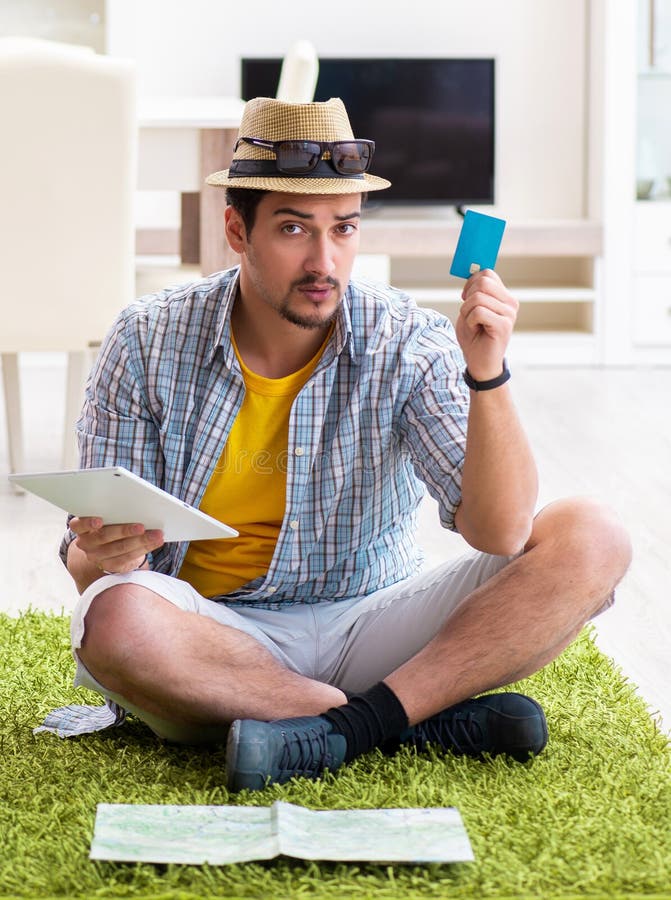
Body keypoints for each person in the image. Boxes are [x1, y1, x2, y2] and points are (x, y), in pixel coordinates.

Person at [61, 96, 631, 792]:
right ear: (237, 231)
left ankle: (327, 727)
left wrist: (487, 371)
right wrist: (95, 552)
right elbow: (97, 567)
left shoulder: (406, 340)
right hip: (211, 636)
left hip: (375, 623)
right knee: (114, 617)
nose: (323, 260)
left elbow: (501, 530)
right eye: (295, 228)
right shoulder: (146, 339)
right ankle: (400, 724)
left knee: (593, 535)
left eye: (344, 228)